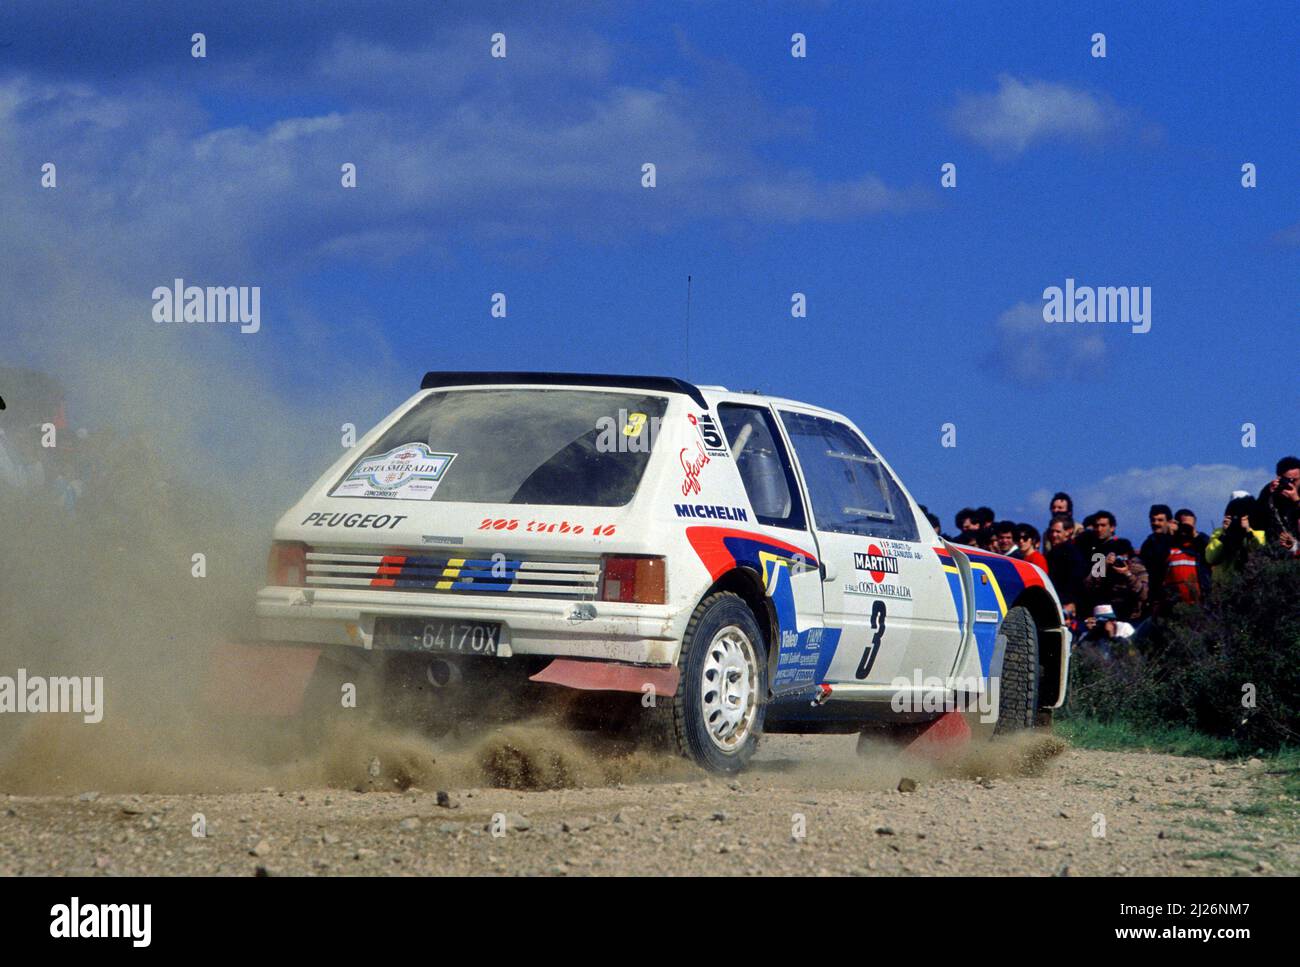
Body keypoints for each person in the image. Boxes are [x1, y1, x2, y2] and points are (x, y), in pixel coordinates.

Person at [1206, 495, 1267, 586]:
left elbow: (1259, 552)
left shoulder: (1258, 534)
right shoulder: (1219, 533)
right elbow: (1211, 558)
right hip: (1223, 586)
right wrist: (1224, 534)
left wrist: (1248, 532)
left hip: (1249, 585)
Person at [1256, 456, 1300, 557]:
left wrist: (1297, 500)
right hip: (1277, 553)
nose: (1291, 484)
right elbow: (1256, 523)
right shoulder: (1270, 491)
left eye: (1295, 480)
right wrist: (1267, 496)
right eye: (1287, 480)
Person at [1045, 513, 1086, 620]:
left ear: (1069, 531)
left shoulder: (1073, 553)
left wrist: (1071, 602)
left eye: (1058, 532)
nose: (1054, 535)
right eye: (1052, 531)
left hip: (1067, 604)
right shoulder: (1052, 553)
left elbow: (1076, 580)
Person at [1140, 504, 1175, 589]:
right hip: (1156, 588)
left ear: (1169, 522)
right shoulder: (1148, 544)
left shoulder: (1179, 541)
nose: (1156, 523)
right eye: (1153, 520)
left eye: (1160, 520)